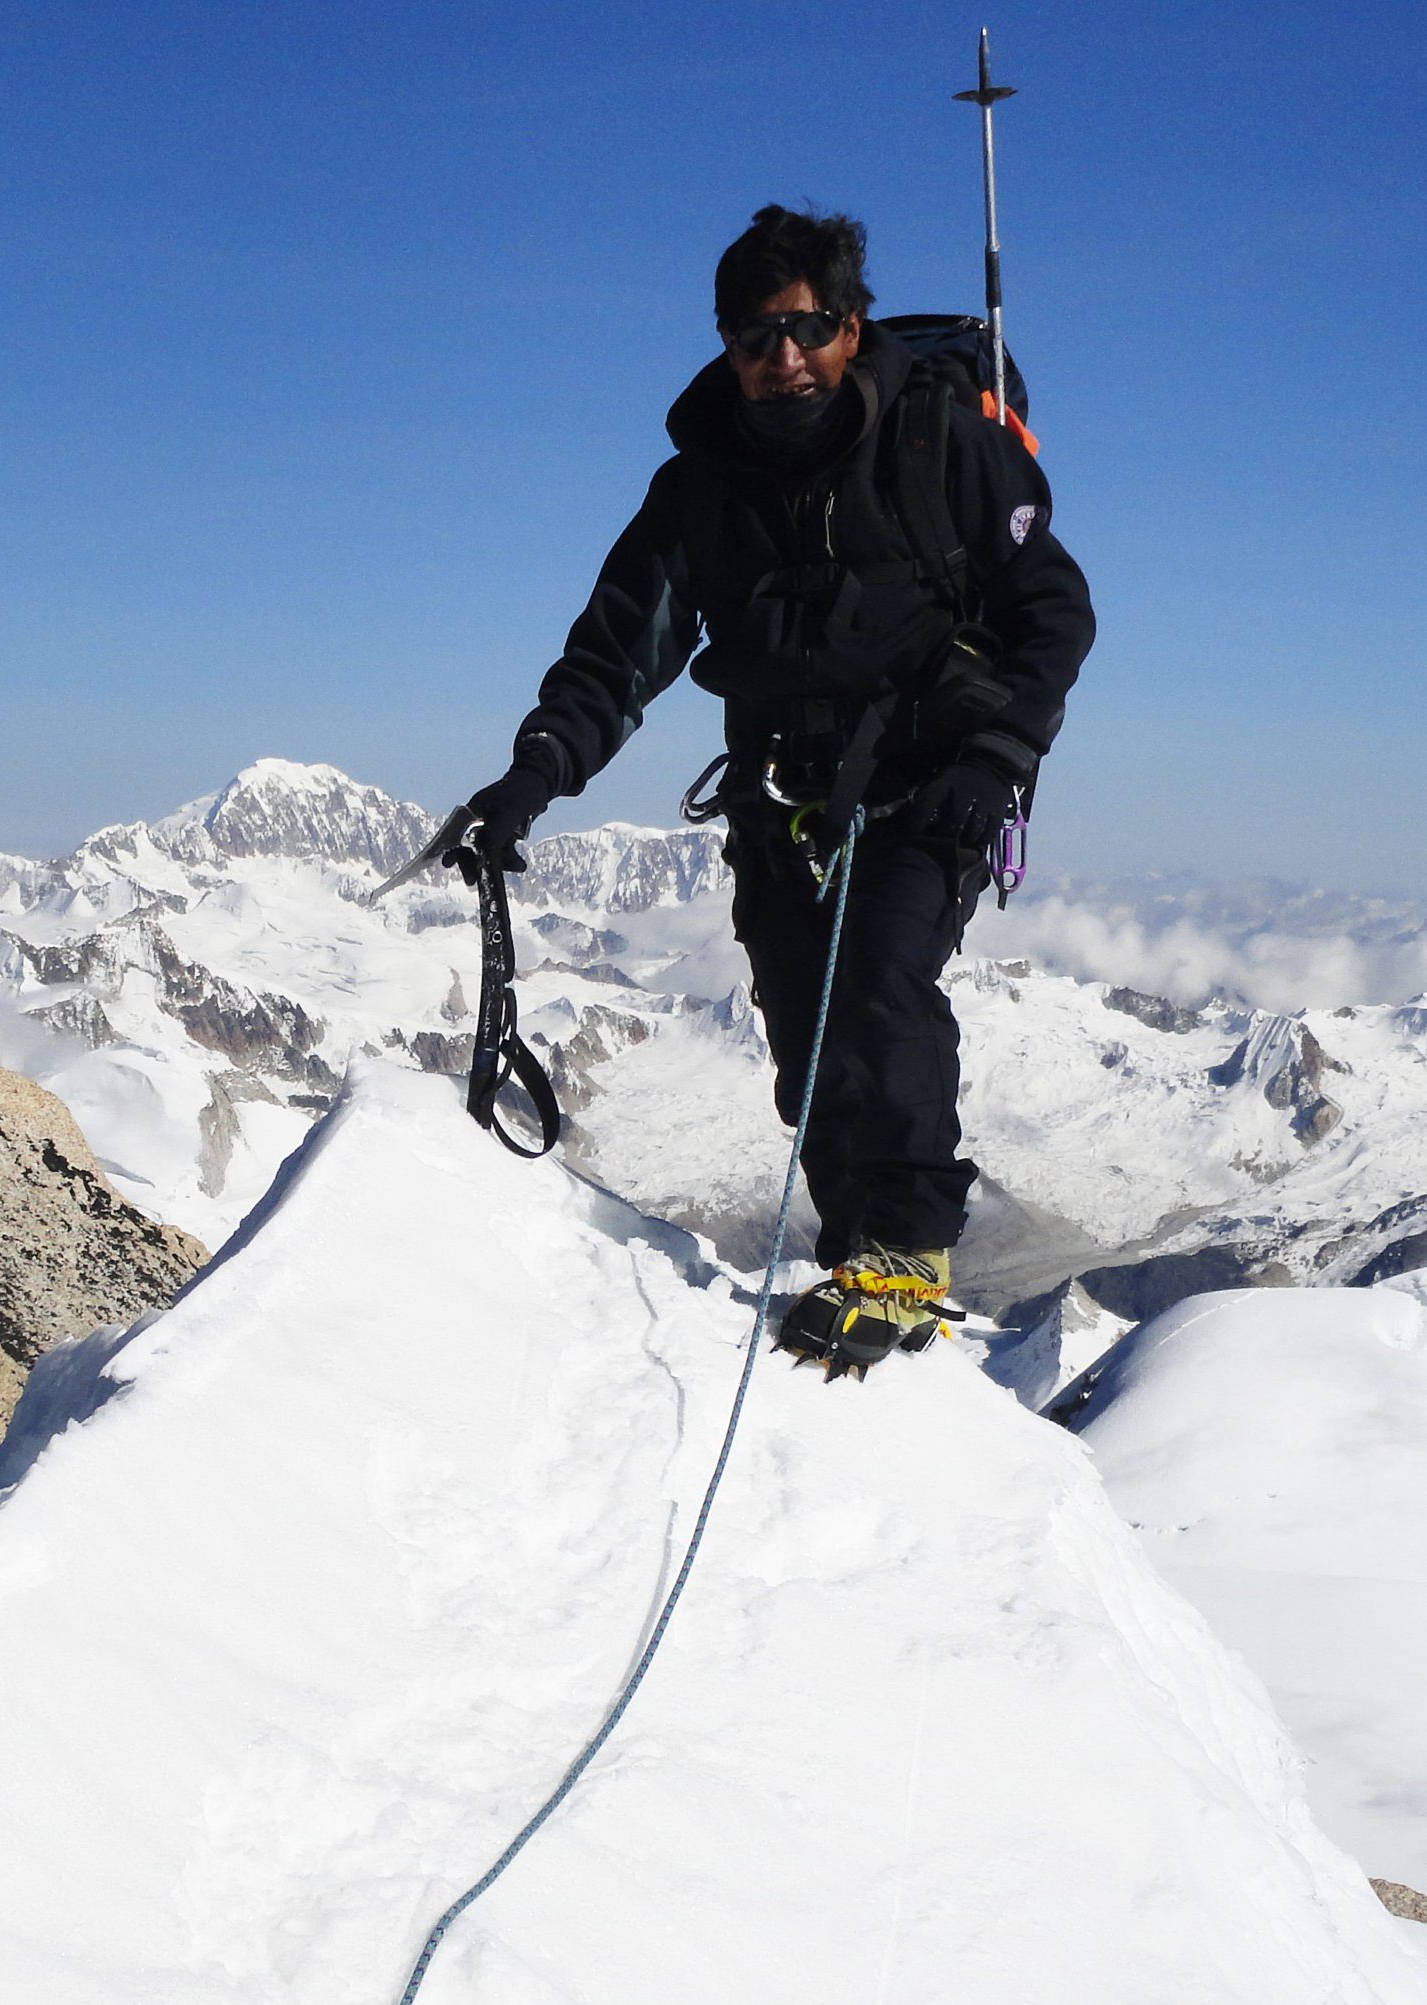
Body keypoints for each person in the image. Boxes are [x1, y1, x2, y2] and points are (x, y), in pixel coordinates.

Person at [458, 204, 1096, 1374]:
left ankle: (903, 1252)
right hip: (780, 793)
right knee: (805, 1038)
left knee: (880, 982)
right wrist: (532, 775)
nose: (780, 358)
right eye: (753, 336)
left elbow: (1052, 612)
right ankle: (859, 1251)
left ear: (851, 328)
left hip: (931, 784)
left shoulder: (935, 444)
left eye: (804, 328)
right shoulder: (698, 485)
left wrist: (996, 761)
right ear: (724, 344)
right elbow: (618, 650)